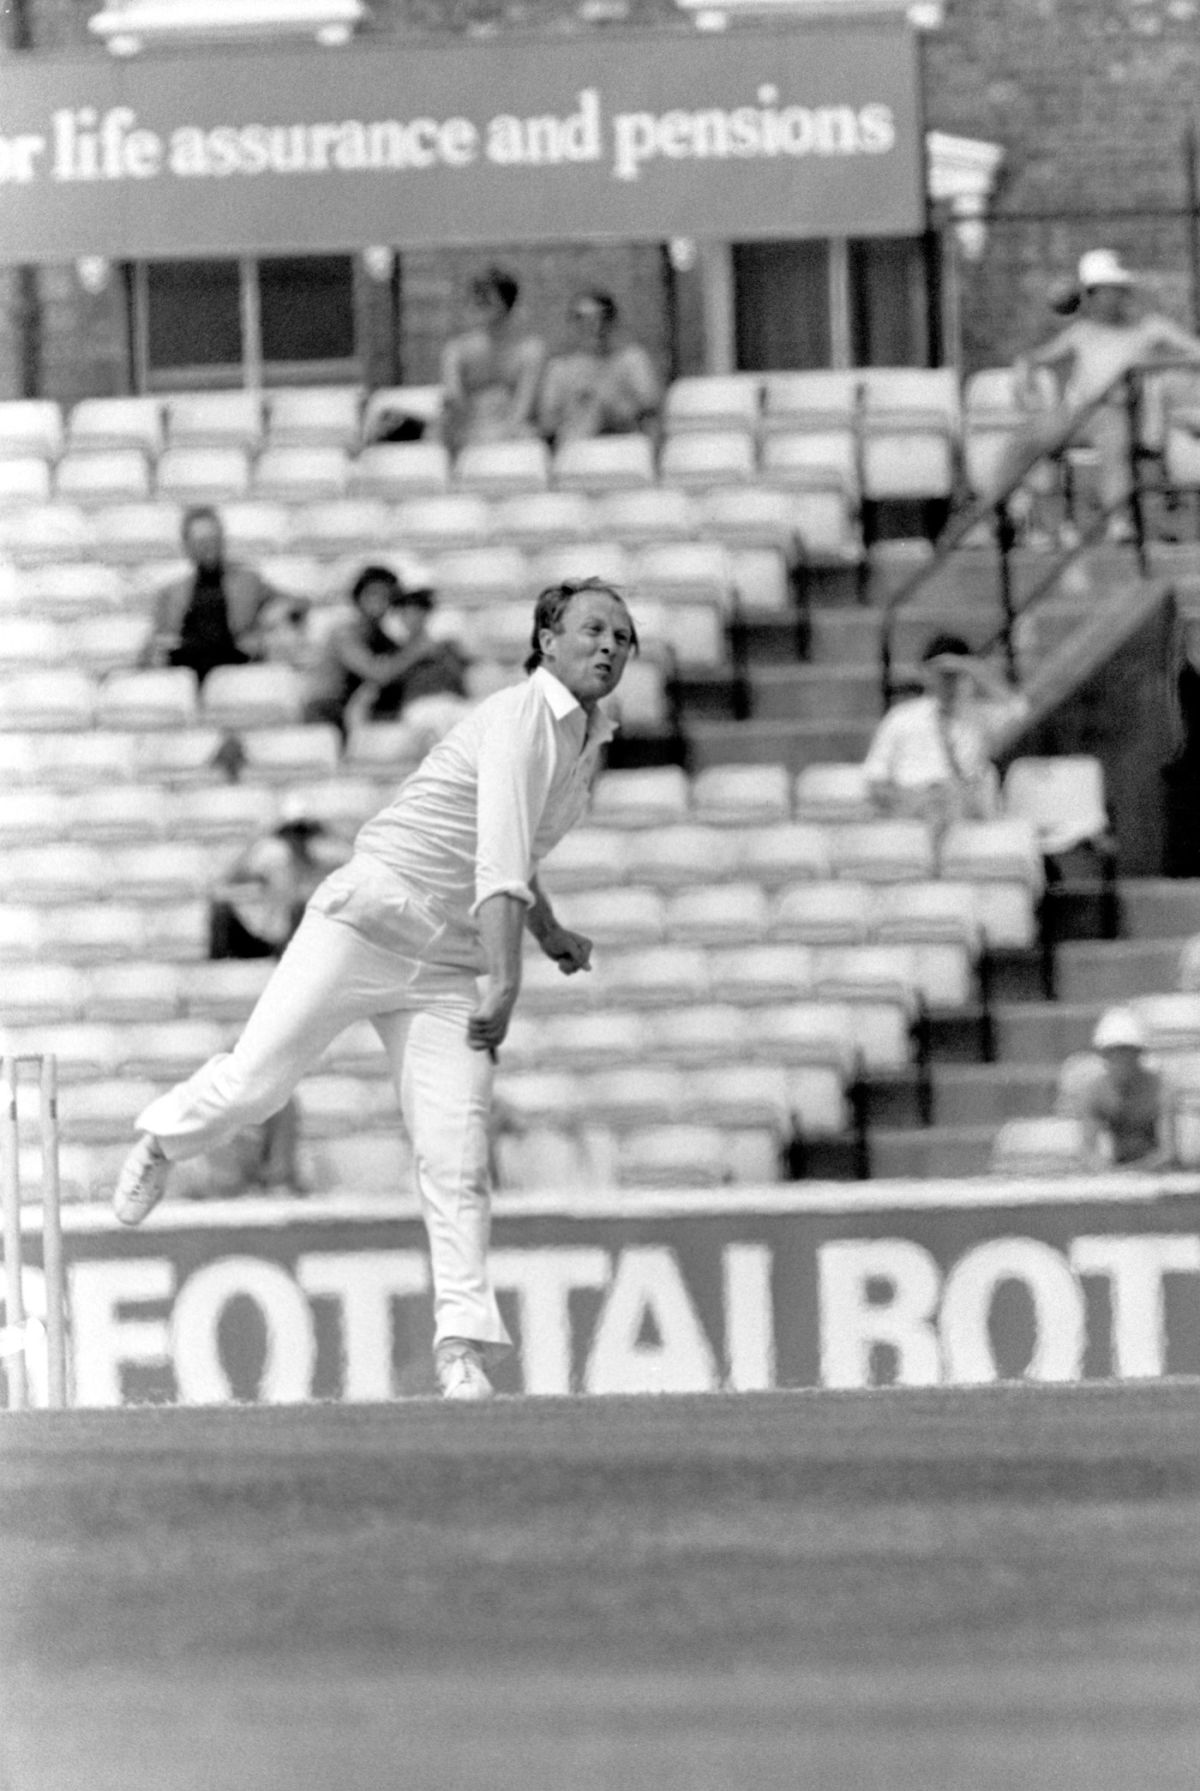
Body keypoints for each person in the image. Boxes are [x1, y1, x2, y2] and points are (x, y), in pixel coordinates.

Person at [111, 577, 638, 1401]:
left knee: (455, 1154)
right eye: (593, 629)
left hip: (444, 964)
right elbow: (498, 860)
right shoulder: (516, 718)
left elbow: (517, 850)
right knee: (256, 1083)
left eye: (623, 636)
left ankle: (461, 1350)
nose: (610, 646)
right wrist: (509, 975)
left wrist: (549, 932)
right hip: (369, 916)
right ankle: (162, 1140)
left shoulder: (587, 738)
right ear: (546, 642)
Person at [993, 248, 1200, 541]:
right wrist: (1023, 375)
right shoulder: (1083, 331)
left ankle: (1119, 522)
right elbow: (1034, 357)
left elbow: (1193, 351)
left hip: (1117, 412)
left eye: (1113, 291)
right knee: (1024, 438)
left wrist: (1152, 368)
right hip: (1075, 413)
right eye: (1098, 292)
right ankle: (995, 513)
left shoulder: (1150, 328)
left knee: (1114, 438)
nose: (1106, 299)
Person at [862, 632, 1027, 834]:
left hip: (964, 810)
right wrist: (913, 801)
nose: (947, 680)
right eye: (941, 673)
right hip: (913, 809)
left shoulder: (979, 716)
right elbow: (875, 779)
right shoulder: (901, 717)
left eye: (954, 674)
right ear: (925, 673)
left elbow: (1019, 709)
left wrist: (972, 667)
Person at [304, 562, 470, 735]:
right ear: (358, 596)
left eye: (386, 596)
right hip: (325, 712)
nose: (379, 602)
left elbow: (400, 666)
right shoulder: (343, 634)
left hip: (358, 711)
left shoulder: (383, 639)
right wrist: (417, 649)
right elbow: (378, 672)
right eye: (372, 594)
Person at [139, 505, 288, 685]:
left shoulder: (248, 581)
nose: (209, 547)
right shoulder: (171, 592)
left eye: (214, 539)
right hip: (185, 665)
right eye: (201, 542)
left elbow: (294, 603)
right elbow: (150, 647)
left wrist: (265, 631)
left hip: (234, 660)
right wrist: (158, 647)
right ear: (187, 546)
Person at [537, 289, 662, 450]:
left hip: (625, 447)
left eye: (599, 318)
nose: (592, 327)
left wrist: (607, 402)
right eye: (581, 319)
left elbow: (648, 409)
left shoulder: (632, 360)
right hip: (574, 449)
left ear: (611, 321)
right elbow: (548, 423)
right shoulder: (559, 369)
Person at [439, 266, 546, 454]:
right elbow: (454, 400)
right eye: (477, 297)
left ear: (506, 302)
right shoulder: (457, 350)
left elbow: (524, 406)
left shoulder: (530, 350)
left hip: (513, 432)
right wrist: (471, 432)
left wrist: (504, 433)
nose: (479, 302)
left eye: (487, 297)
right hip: (466, 432)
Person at [1055, 1006, 1174, 1170]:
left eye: (1127, 1052)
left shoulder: (1160, 1090)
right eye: (1114, 1052)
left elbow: (1167, 1153)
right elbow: (1088, 1150)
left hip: (1158, 1174)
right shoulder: (1094, 1092)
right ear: (1104, 1055)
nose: (1121, 1059)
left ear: (1139, 1054)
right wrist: (1107, 1171)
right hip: (1117, 1171)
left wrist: (1133, 1172)